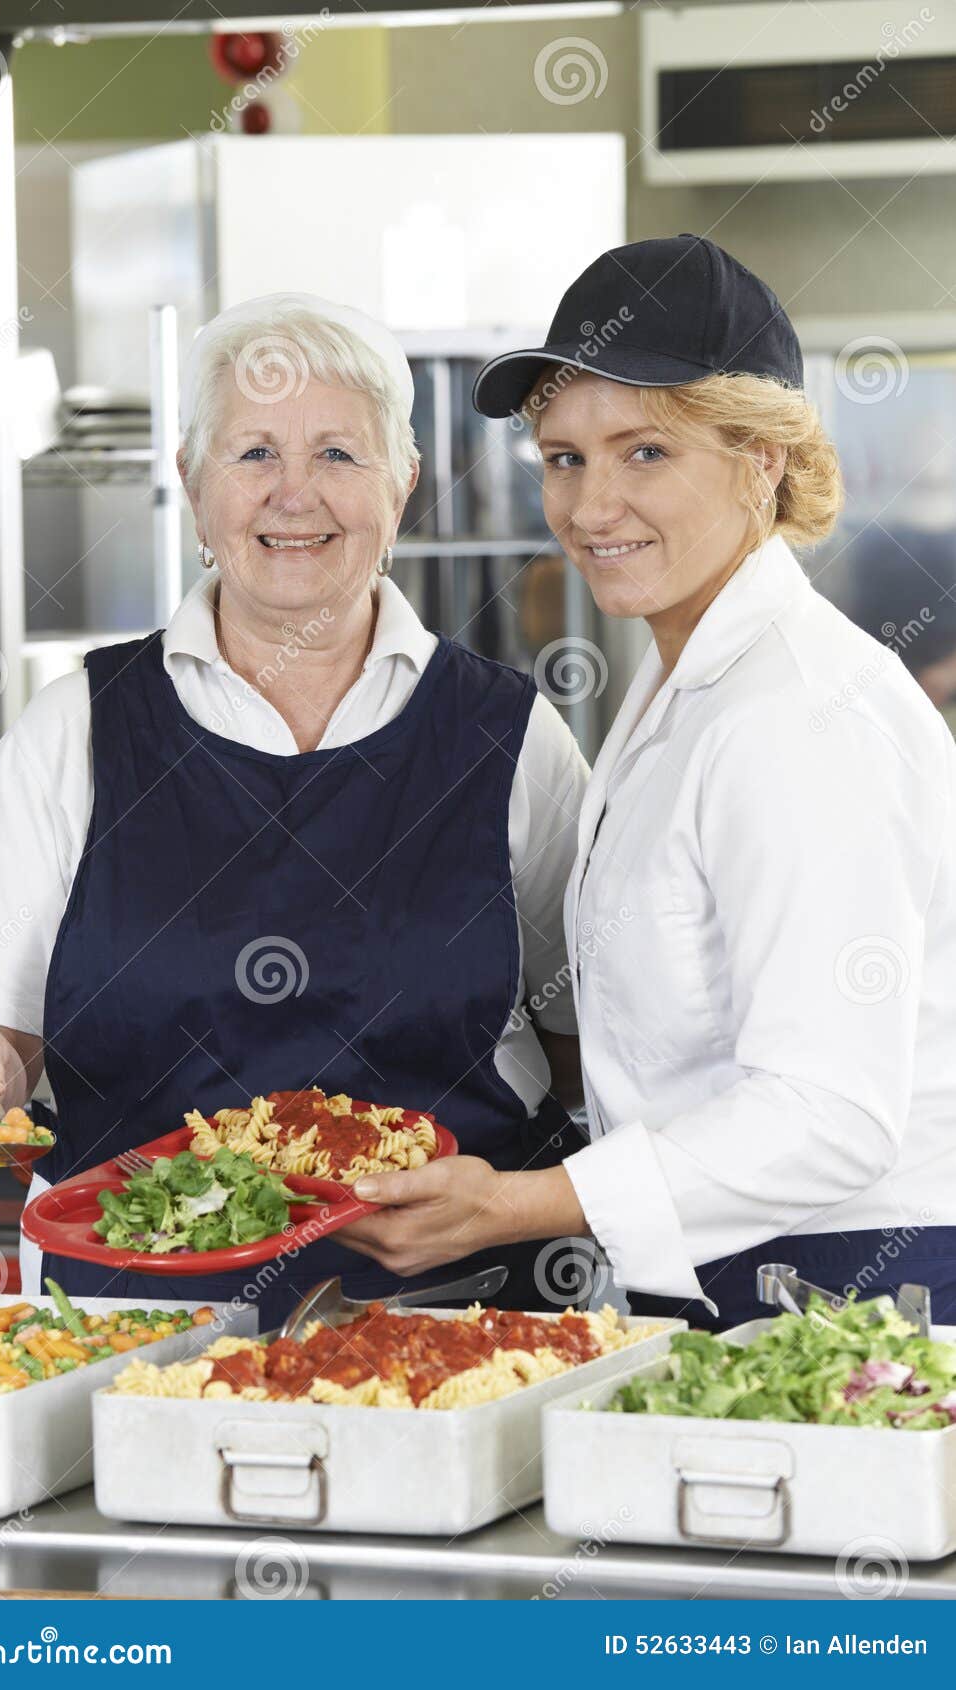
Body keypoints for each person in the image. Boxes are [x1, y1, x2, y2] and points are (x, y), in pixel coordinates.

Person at [0, 293, 589, 1324]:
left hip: (457, 1321)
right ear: (192, 479)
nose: (293, 495)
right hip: (134, 1329)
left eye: (340, 456)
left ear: (402, 484)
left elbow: (585, 1032)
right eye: (255, 452)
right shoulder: (78, 727)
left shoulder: (510, 736)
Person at [337, 236, 956, 1328]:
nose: (590, 505)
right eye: (564, 458)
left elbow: (828, 1112)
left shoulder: (799, 717)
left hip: (849, 1291)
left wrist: (519, 1203)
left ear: (764, 456)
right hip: (736, 1274)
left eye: (645, 452)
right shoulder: (682, 682)